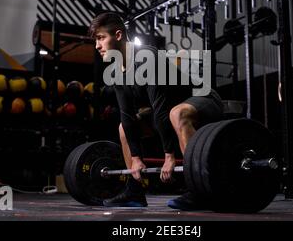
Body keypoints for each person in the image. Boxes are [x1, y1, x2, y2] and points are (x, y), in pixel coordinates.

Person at [91, 12, 223, 210]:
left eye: (101, 38)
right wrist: (136, 159)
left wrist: (169, 156)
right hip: (169, 110)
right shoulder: (116, 71)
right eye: (96, 40)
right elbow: (127, 116)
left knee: (176, 113)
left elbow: (161, 108)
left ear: (118, 35)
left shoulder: (147, 57)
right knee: (123, 128)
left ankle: (199, 190)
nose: (97, 46)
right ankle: (134, 191)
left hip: (203, 98)